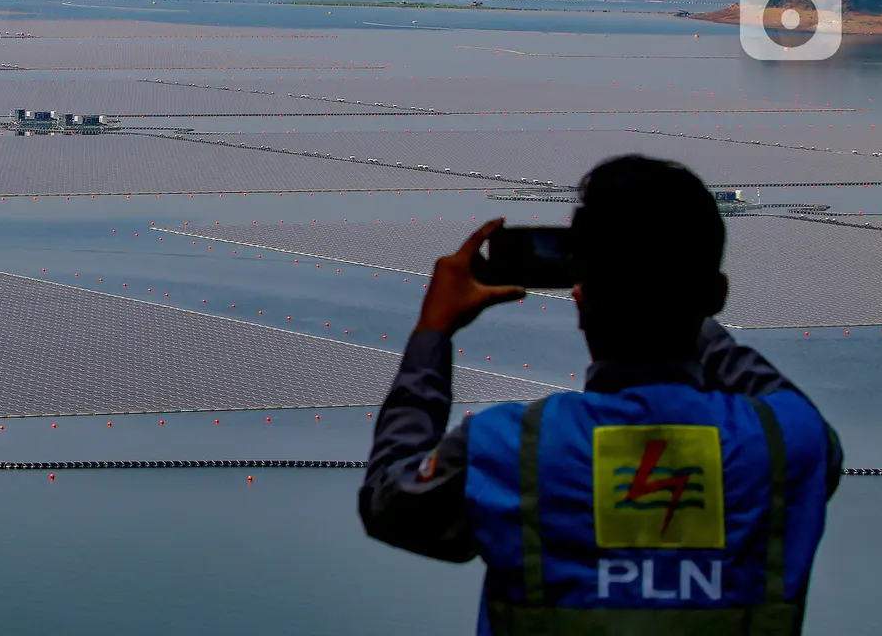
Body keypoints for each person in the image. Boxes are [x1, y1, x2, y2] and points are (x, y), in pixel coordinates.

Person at [359, 155, 843, 635]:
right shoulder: (789, 446)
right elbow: (783, 403)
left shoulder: (508, 449)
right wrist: (675, 296)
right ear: (714, 296)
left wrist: (433, 330)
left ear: (581, 297)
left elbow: (389, 500)